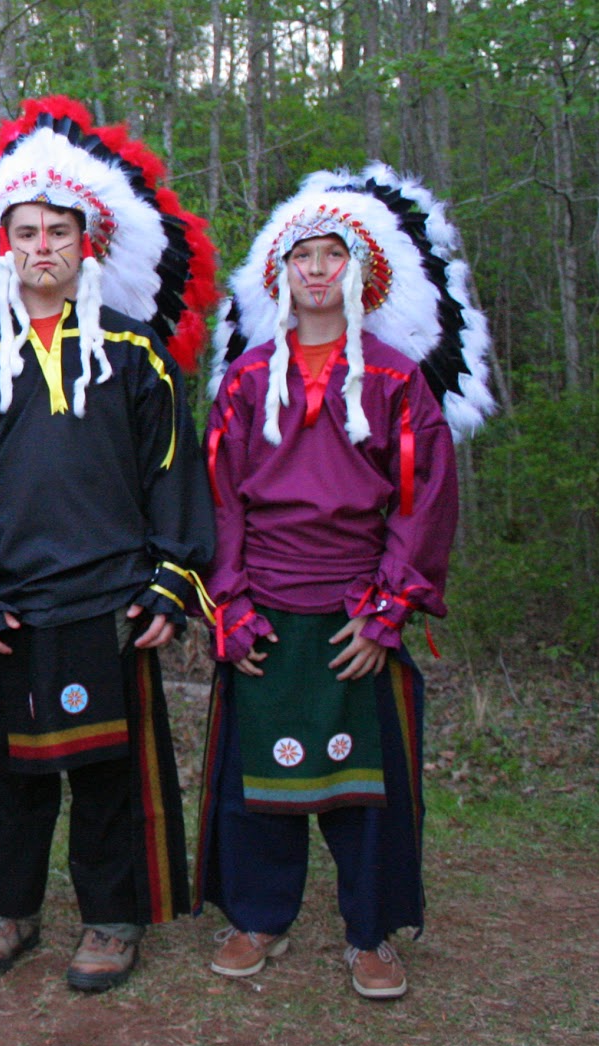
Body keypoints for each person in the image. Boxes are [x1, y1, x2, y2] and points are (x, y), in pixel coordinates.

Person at [0, 97, 218, 992]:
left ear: (88, 244)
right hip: (5, 601)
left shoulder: (136, 353)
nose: (42, 246)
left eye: (59, 231)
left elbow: (172, 466)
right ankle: (9, 907)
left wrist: (171, 580)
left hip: (110, 599)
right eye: (26, 231)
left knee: (107, 771)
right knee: (6, 770)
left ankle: (111, 917)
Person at [196, 165, 495, 999]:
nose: (318, 270)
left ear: (360, 272)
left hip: (358, 608)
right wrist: (232, 602)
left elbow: (424, 502)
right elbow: (220, 501)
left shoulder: (399, 382)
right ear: (281, 273)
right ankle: (258, 916)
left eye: (334, 256)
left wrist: (387, 608)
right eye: (304, 257)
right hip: (267, 606)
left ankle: (371, 932)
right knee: (259, 778)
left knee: (367, 787)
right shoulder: (248, 382)